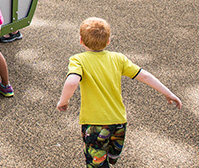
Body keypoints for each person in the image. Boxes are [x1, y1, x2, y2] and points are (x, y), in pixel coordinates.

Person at [56, 17, 181, 167]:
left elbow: (71, 82)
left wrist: (64, 101)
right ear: (108, 41)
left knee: (97, 161)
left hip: (94, 124)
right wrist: (168, 93)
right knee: (111, 155)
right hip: (119, 122)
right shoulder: (118, 59)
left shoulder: (78, 60)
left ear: (81, 40)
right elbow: (145, 75)